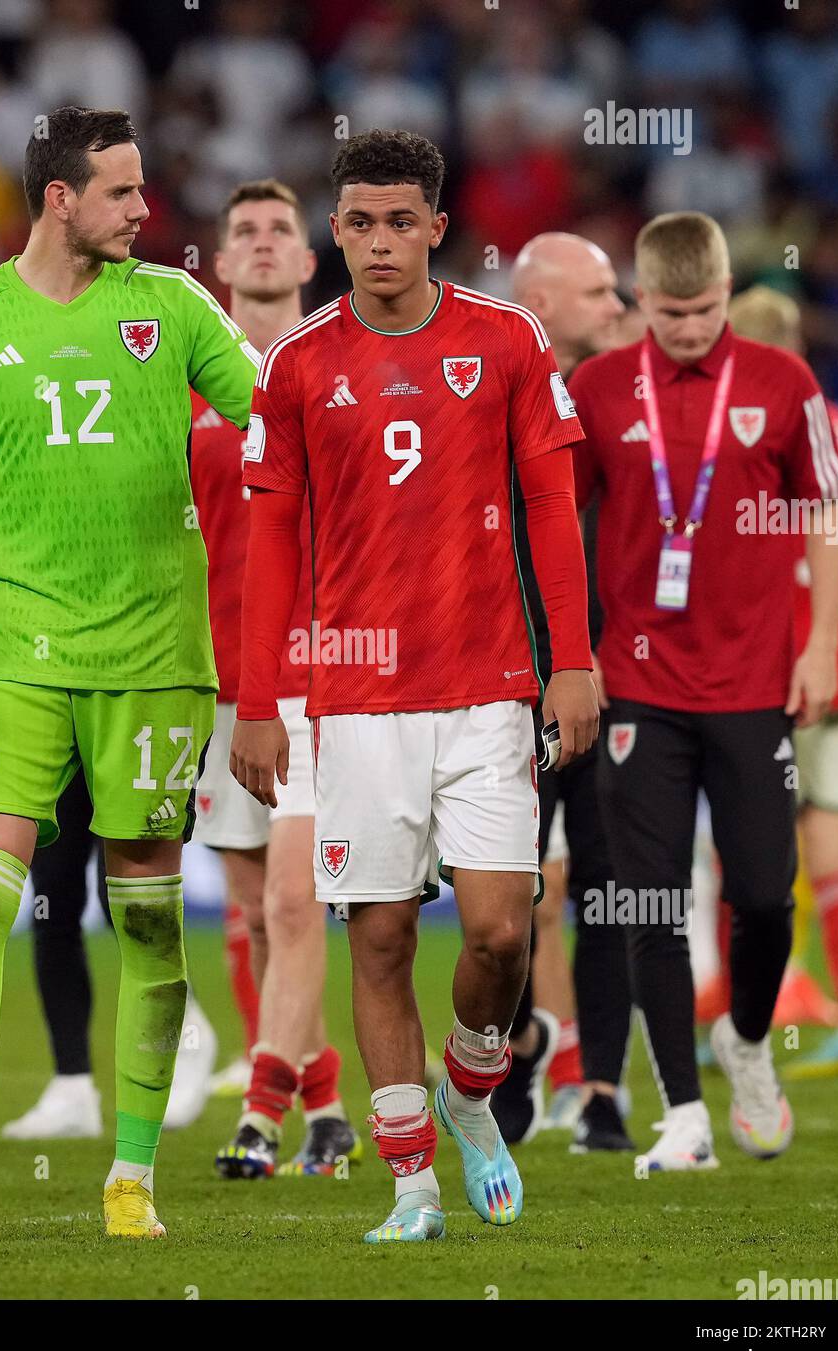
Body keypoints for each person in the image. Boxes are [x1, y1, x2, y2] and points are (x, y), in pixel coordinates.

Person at [0, 105, 258, 1240]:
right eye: (123, 193)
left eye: (144, 192)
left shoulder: (175, 306)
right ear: (59, 198)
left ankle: (130, 1179)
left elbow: (273, 420)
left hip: (153, 659)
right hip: (14, 651)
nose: (146, 213)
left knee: (146, 921)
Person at [230, 128, 598, 1242]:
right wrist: (258, 697)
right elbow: (269, 542)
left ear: (437, 227)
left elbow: (549, 510)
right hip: (352, 701)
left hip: (488, 689)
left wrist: (572, 661)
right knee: (379, 935)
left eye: (401, 222)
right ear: (333, 232)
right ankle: (410, 1185)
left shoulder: (507, 341)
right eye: (359, 223)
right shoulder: (297, 364)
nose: (379, 242)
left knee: (500, 933)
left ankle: (472, 1090)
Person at [569, 212, 838, 1171]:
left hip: (753, 682)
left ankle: (750, 1041)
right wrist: (572, 652)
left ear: (728, 293)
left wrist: (819, 650)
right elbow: (554, 527)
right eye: (673, 311)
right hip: (638, 685)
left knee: (765, 901)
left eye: (706, 309)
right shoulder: (597, 387)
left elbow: (823, 516)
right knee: (649, 904)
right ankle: (684, 1113)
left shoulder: (783, 382)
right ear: (642, 299)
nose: (690, 327)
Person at [187, 179, 360, 1178]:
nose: (259, 243)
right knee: (253, 913)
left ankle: (258, 1117)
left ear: (306, 262)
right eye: (241, 230)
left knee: (297, 904)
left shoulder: (335, 373)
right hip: (216, 681)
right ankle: (326, 1107)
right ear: (220, 264)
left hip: (317, 677)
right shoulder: (182, 388)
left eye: (278, 231)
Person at [490, 232, 635, 1153]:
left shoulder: (629, 401)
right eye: (600, 292)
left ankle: (606, 1092)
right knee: (509, 895)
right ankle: (514, 1054)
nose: (619, 308)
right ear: (542, 304)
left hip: (620, 677)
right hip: (515, 683)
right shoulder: (492, 397)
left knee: (615, 890)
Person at [726, 286, 838, 1077]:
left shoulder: (764, 432)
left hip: (787, 663)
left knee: (746, 849)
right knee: (835, 855)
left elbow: (758, 558)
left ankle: (751, 1008)